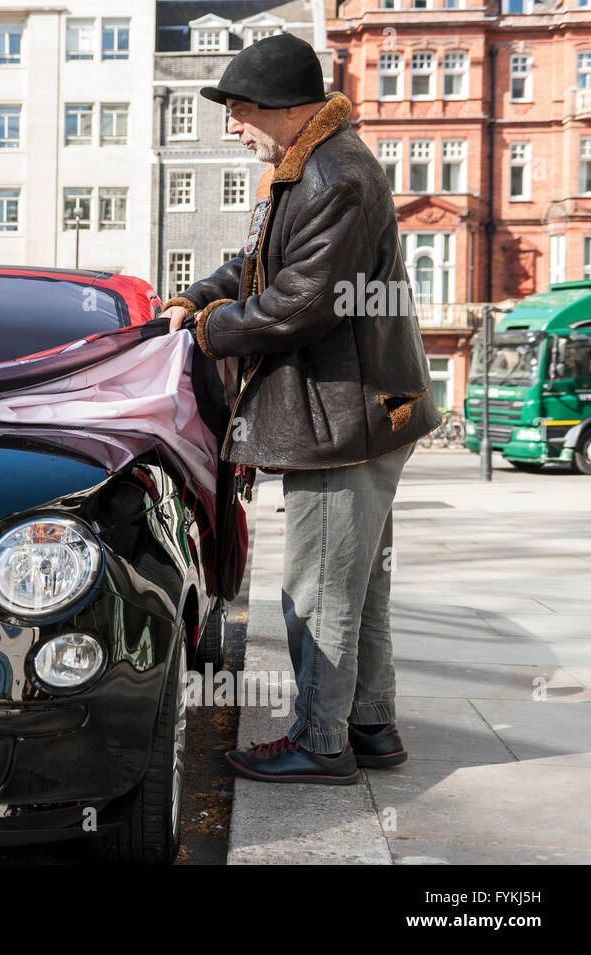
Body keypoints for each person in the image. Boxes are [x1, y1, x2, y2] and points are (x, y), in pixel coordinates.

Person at [159, 33, 439, 784]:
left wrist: (212, 329)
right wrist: (199, 294)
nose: (232, 126)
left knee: (319, 586)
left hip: (343, 416)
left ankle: (322, 740)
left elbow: (298, 305)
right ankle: (369, 725)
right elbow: (257, 266)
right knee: (359, 581)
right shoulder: (305, 167)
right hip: (362, 407)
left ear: (284, 109)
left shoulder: (332, 175)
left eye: (241, 110)